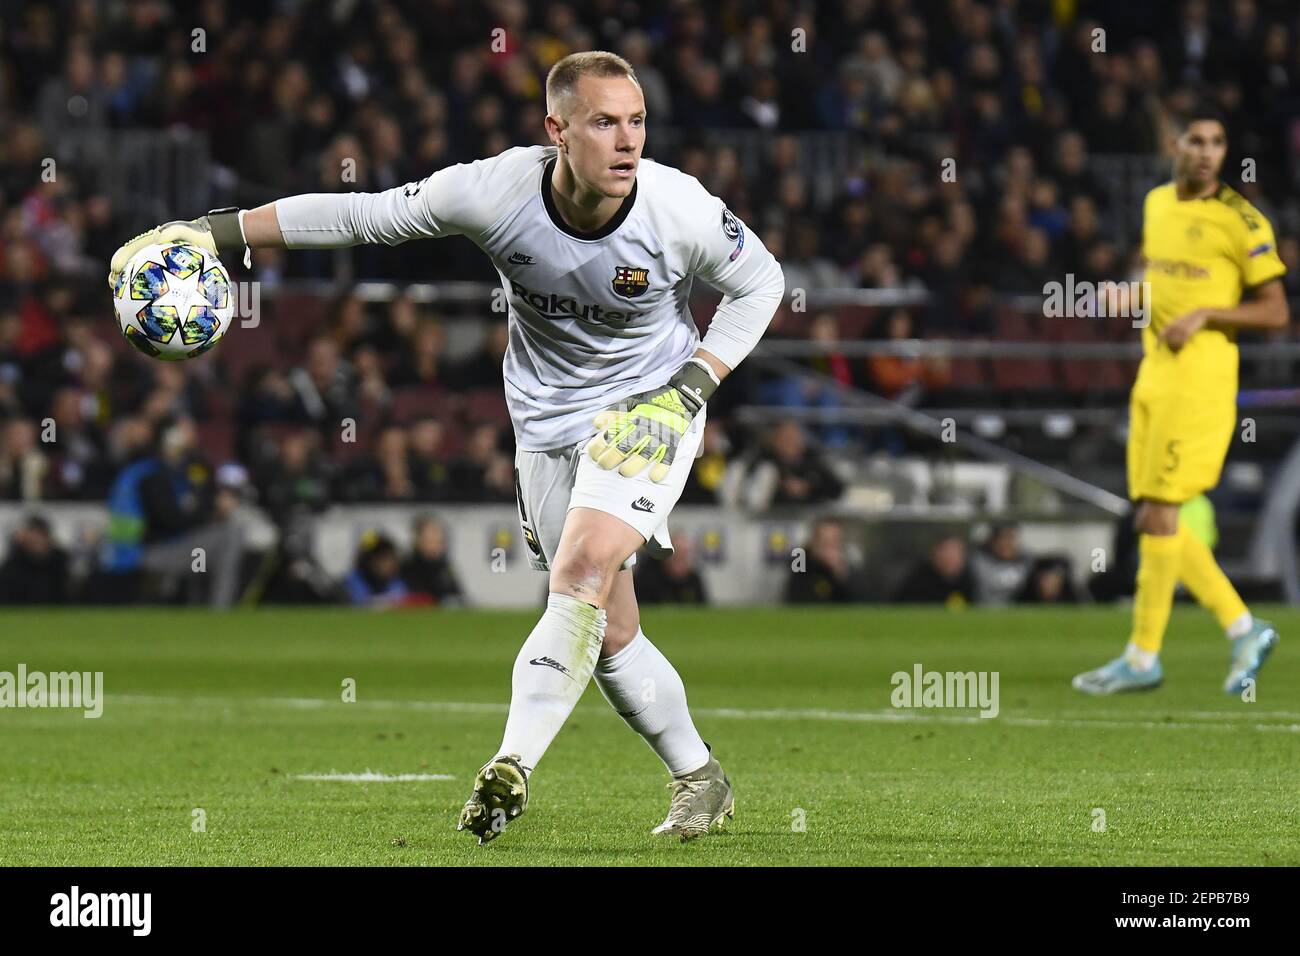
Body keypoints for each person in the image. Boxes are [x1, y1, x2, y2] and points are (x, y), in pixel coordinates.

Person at [108, 51, 783, 844]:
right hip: (543, 418)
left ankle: (511, 765)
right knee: (610, 632)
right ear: (556, 130)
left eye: (636, 121)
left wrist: (691, 388)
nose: (627, 140)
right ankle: (700, 777)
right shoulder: (492, 191)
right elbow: (362, 217)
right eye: (605, 122)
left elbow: (762, 282)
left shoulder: (681, 210)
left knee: (582, 572)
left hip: (650, 406)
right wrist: (213, 232)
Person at [1072, 103, 1288, 695]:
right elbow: (1157, 278)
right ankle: (1242, 626)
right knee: (1150, 515)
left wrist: (1206, 314)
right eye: (1196, 140)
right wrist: (1125, 295)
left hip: (1201, 382)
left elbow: (1275, 311)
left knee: (1162, 513)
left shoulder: (1243, 223)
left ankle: (1144, 658)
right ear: (1176, 144)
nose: (1205, 151)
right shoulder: (1157, 205)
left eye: (1217, 142)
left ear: (1224, 152)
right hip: (1154, 375)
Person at [785, 519, 864, 604]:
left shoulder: (849, 570)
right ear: (814, 544)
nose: (830, 549)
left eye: (835, 542)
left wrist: (840, 576)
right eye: (825, 543)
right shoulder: (801, 569)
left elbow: (859, 603)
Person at [0, 514, 68, 604]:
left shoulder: (60, 563)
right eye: (32, 535)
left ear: (49, 538)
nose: (37, 540)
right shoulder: (12, 566)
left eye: (40, 535)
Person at [892, 535, 975, 608]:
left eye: (955, 553)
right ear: (935, 554)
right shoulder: (920, 578)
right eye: (946, 552)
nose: (950, 557)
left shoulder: (968, 581)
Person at [401, 515, 463, 605]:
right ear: (418, 539)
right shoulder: (407, 568)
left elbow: (459, 598)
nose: (438, 538)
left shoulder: (445, 568)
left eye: (439, 533)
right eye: (432, 533)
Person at [970, 522, 1031, 606]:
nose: (1006, 543)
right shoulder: (978, 562)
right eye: (1002, 538)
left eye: (1010, 538)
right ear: (992, 541)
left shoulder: (1026, 562)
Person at [343, 530, 409, 607]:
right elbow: (360, 601)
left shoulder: (396, 582)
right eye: (382, 559)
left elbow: (401, 598)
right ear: (368, 561)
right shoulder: (353, 581)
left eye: (391, 558)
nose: (389, 564)